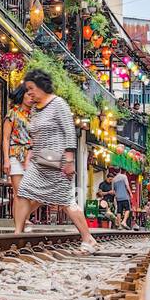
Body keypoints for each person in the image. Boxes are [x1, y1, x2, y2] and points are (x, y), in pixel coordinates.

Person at [12, 68, 96, 253]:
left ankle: (88, 238)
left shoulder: (59, 104)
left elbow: (69, 133)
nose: (30, 93)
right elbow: (35, 135)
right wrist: (30, 155)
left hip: (58, 164)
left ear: (42, 86)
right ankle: (17, 235)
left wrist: (69, 161)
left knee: (66, 202)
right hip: (38, 162)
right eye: (28, 89)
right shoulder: (35, 109)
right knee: (23, 192)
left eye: (32, 88)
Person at [0, 84, 31, 201]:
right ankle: (22, 220)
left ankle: (23, 219)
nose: (31, 98)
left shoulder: (35, 114)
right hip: (15, 154)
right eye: (28, 94)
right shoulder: (12, 113)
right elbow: (6, 138)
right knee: (19, 193)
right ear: (22, 95)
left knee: (29, 193)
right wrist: (6, 161)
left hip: (31, 156)